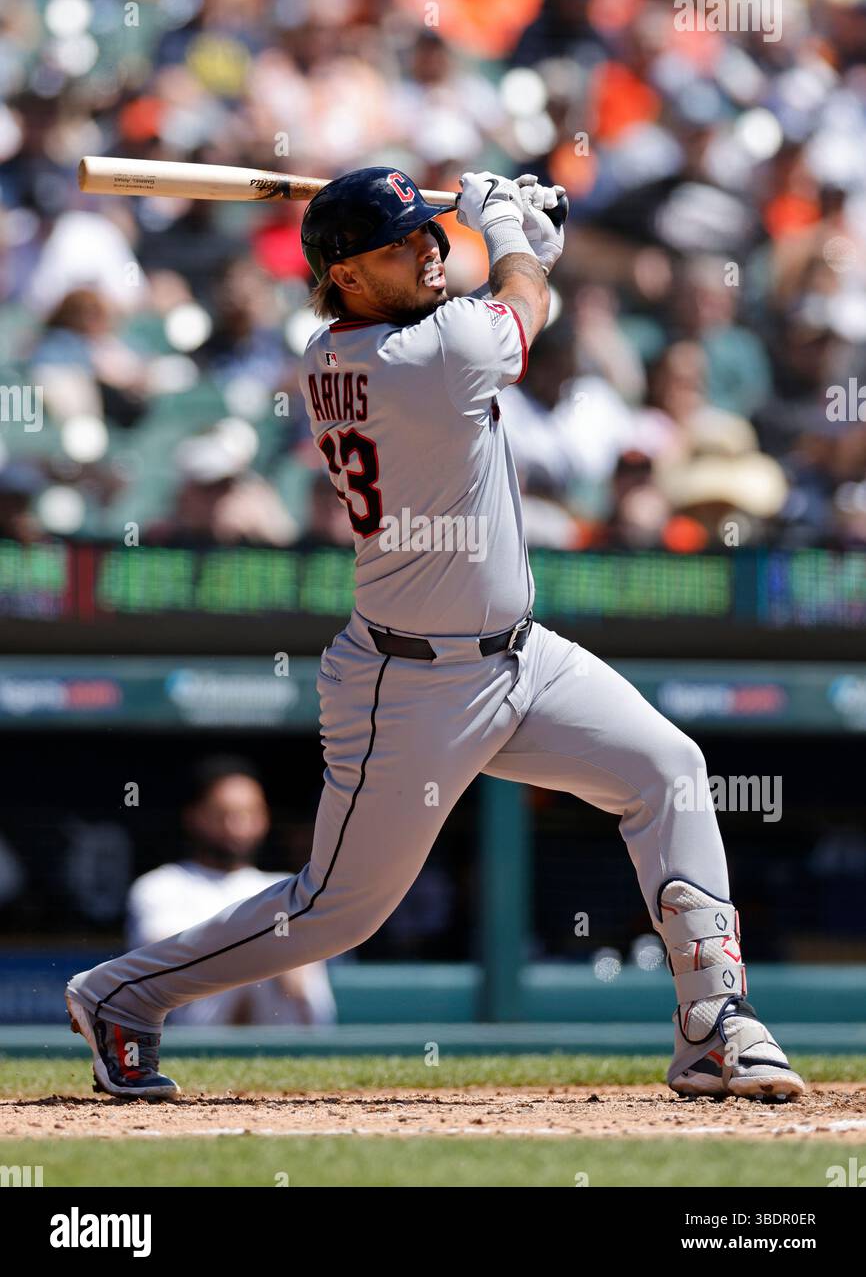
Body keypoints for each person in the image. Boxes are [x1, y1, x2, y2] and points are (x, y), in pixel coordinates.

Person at [65, 166, 804, 1103]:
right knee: (334, 914)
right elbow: (518, 309)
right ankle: (122, 993)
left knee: (669, 767)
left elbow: (512, 299)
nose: (425, 249)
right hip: (407, 687)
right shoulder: (423, 355)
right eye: (400, 244)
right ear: (344, 276)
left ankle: (714, 1023)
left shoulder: (374, 343)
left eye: (427, 234)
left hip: (519, 657)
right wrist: (513, 237)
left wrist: (523, 240)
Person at [125, 757, 336, 1027]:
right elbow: (169, 958)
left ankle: (305, 1051)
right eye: (223, 815)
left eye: (249, 814)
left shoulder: (288, 885)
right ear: (195, 817)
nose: (237, 827)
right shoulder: (161, 885)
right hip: (189, 1027)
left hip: (284, 1020)